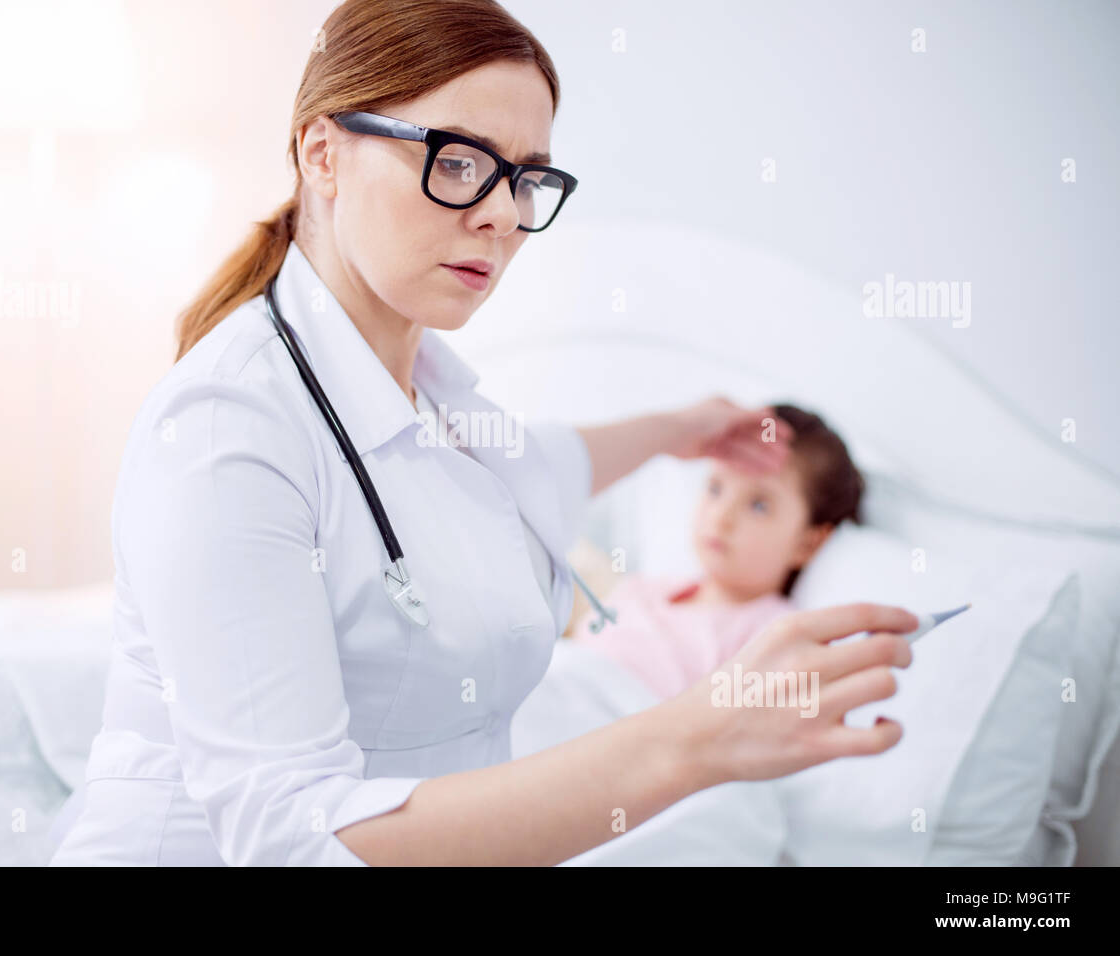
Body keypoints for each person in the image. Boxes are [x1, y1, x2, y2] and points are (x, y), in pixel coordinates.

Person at [48, 0, 917, 867]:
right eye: (458, 162)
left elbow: (538, 466)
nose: (501, 214)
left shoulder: (434, 393)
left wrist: (681, 429)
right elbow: (287, 840)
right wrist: (693, 742)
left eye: (526, 179)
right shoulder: (226, 431)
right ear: (323, 154)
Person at [571, 403, 862, 700]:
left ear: (807, 544)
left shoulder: (772, 638)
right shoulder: (643, 589)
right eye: (715, 488)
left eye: (758, 505)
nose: (722, 516)